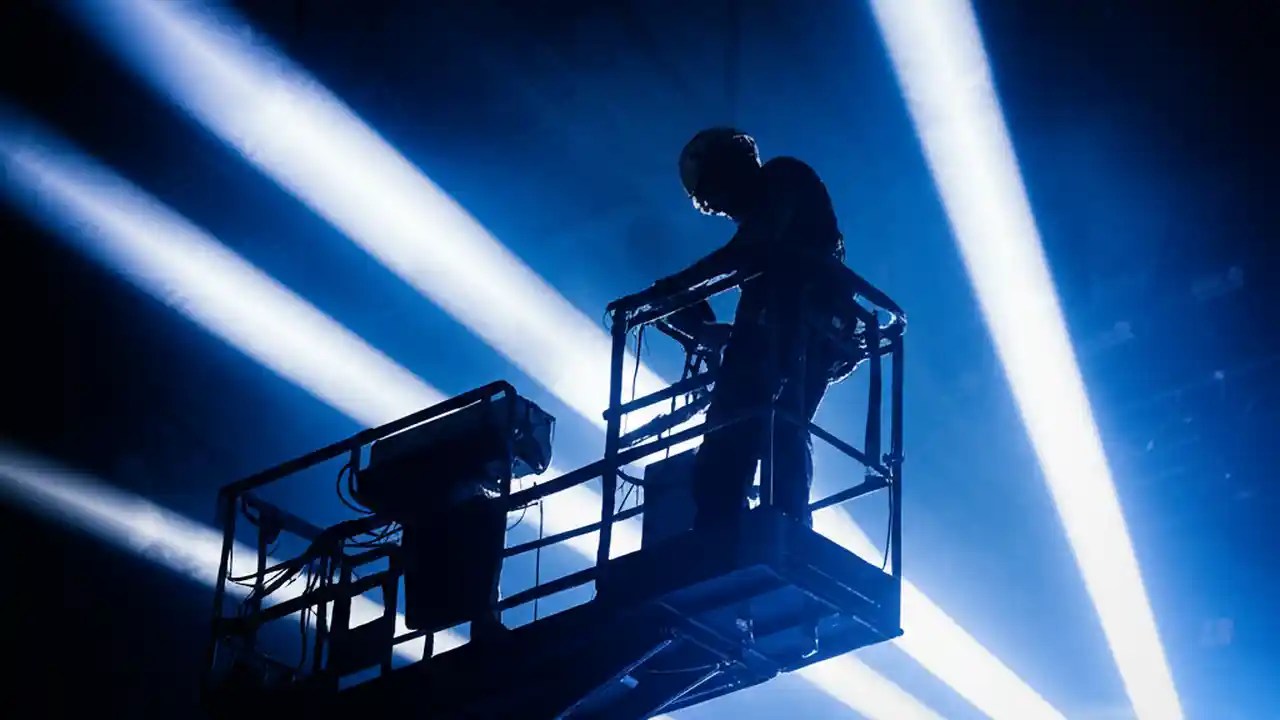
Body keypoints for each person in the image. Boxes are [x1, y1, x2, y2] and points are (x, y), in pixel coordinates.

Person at [650, 128, 846, 532]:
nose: (720, 209)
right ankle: (757, 531)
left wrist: (679, 286)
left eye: (714, 196)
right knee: (764, 433)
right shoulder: (773, 216)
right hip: (791, 334)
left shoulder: (784, 178)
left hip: (800, 332)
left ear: (729, 171)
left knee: (759, 435)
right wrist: (715, 331)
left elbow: (752, 249)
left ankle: (749, 534)